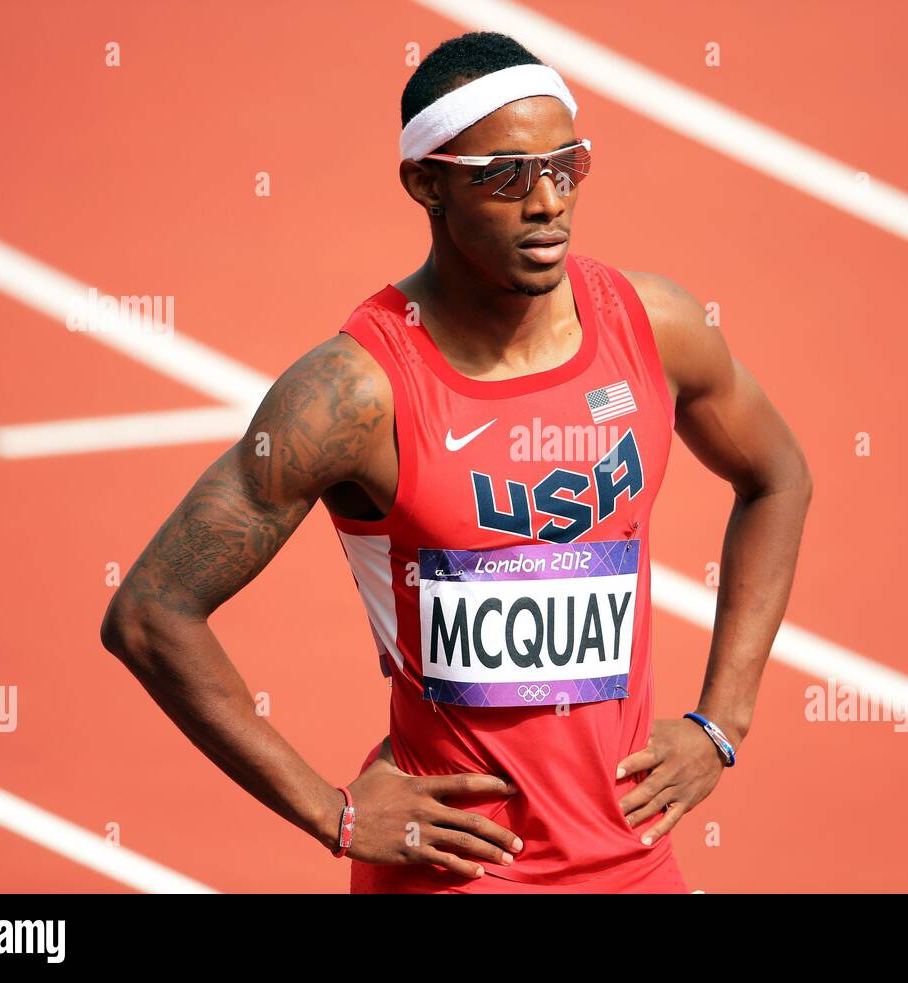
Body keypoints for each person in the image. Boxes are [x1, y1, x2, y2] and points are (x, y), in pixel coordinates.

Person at [100, 30, 812, 894]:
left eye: (568, 165)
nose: (547, 200)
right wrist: (336, 814)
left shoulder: (652, 328)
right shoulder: (355, 394)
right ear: (425, 184)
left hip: (634, 860)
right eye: (506, 176)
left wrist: (721, 722)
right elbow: (151, 611)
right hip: (457, 875)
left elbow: (777, 477)